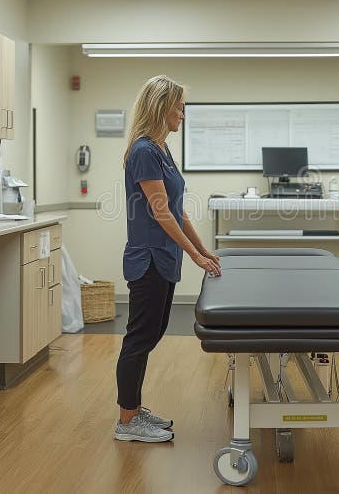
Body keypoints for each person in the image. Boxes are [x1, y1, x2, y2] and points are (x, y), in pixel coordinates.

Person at [114, 74, 222, 443]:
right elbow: (161, 211)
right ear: (162, 107)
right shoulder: (144, 150)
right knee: (139, 337)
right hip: (148, 259)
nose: (182, 114)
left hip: (165, 257)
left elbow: (178, 211)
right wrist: (193, 255)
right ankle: (126, 421)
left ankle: (133, 408)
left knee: (152, 333)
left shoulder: (161, 150)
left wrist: (202, 249)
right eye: (179, 107)